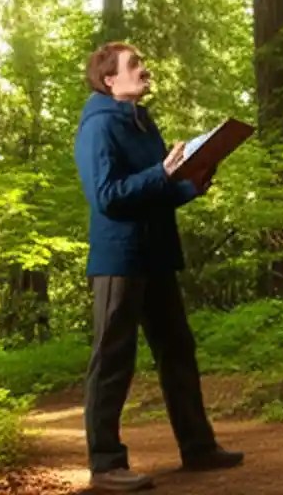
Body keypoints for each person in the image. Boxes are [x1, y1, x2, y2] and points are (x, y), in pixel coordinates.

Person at [73, 42, 244, 492]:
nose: (144, 70)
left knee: (177, 350)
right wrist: (162, 174)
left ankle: (198, 448)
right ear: (110, 79)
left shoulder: (143, 122)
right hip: (120, 259)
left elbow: (157, 190)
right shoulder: (97, 127)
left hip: (158, 254)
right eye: (134, 65)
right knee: (113, 357)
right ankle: (106, 464)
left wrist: (191, 184)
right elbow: (107, 197)